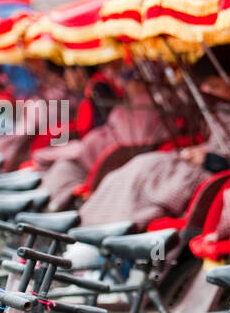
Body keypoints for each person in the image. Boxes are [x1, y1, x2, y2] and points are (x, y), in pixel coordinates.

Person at [77, 47, 230, 229]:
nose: (208, 91)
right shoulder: (228, 105)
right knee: (137, 167)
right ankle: (92, 223)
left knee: (146, 180)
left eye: (214, 85)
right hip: (201, 160)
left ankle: (120, 223)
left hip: (221, 170)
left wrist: (209, 158)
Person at [34, 71, 169, 210]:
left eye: (129, 82)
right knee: (64, 166)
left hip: (110, 154)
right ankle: (48, 201)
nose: (125, 86)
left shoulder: (146, 104)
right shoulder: (129, 103)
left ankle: (51, 203)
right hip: (93, 152)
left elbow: (134, 133)